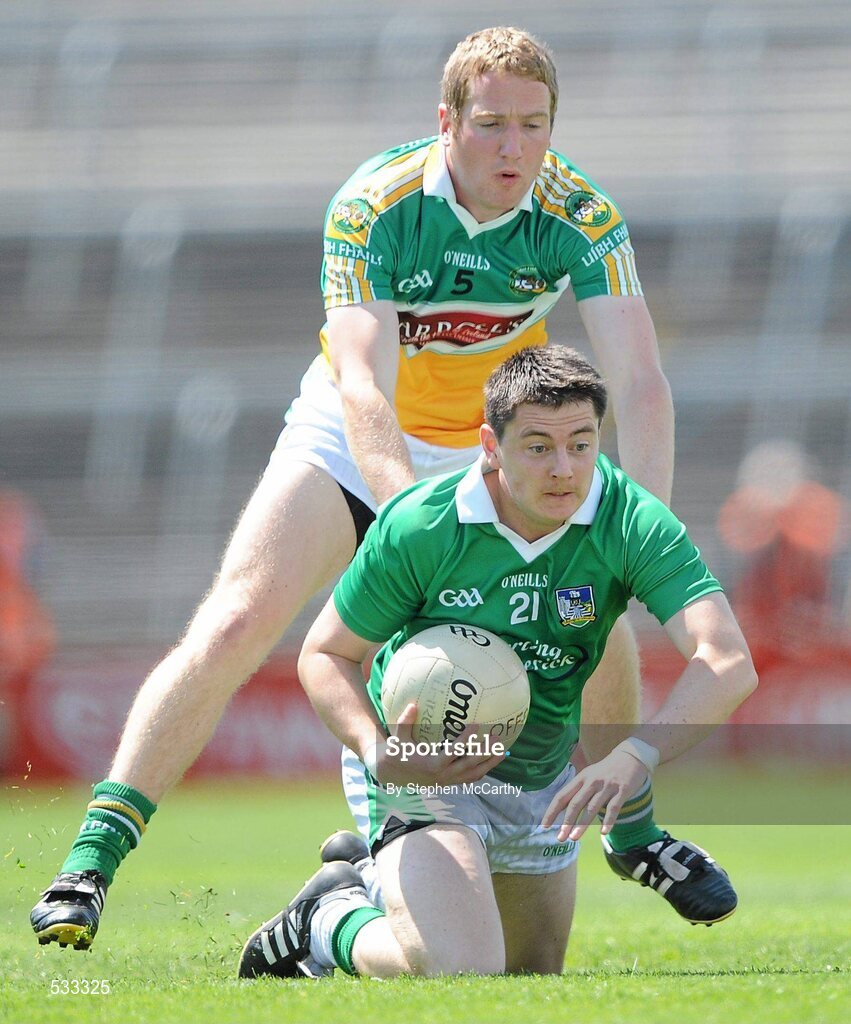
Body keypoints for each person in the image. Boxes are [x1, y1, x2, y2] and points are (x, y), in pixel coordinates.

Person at [32, 26, 704, 950]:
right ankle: (90, 863)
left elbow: (640, 383)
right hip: (354, 439)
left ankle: (634, 834)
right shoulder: (375, 203)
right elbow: (360, 384)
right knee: (236, 620)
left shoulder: (580, 213)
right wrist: (411, 527)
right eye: (491, 124)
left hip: (491, 450)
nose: (514, 149)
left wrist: (637, 531)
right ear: (446, 120)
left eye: (533, 126)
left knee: (601, 611)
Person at [238, 345, 757, 980]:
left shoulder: (632, 523)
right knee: (460, 969)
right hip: (425, 768)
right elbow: (326, 655)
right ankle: (327, 922)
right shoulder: (424, 525)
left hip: (540, 779)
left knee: (529, 975)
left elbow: (727, 660)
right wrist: (380, 752)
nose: (564, 469)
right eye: (538, 446)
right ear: (491, 444)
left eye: (581, 444)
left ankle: (360, 889)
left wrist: (635, 753)